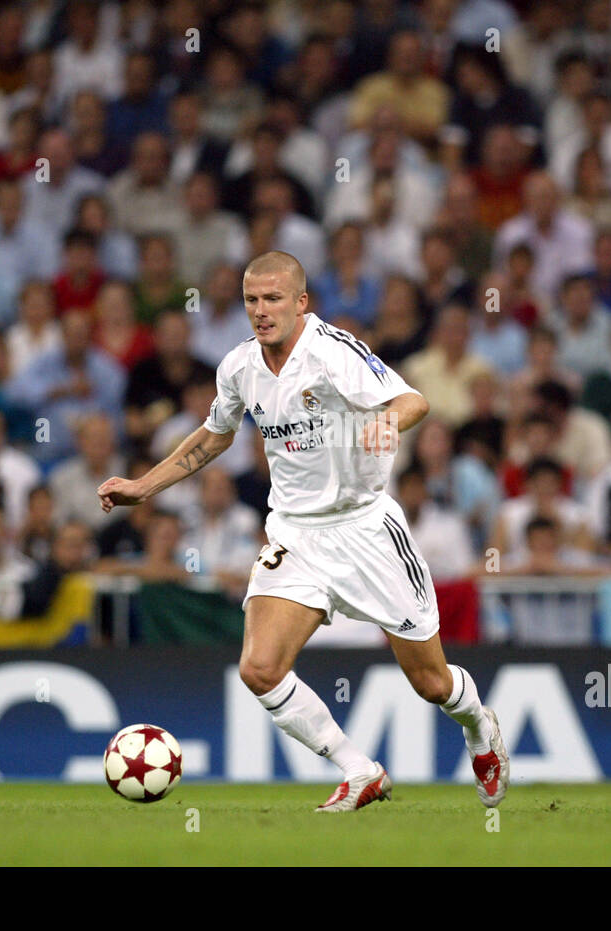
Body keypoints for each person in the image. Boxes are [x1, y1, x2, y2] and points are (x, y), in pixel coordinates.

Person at [97, 250, 508, 812]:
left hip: (366, 529)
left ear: (300, 302)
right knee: (260, 668)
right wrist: (145, 486)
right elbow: (215, 436)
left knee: (433, 685)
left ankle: (479, 726)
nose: (261, 311)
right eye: (251, 300)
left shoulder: (333, 353)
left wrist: (385, 421)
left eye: (272, 299)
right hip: (294, 534)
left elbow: (414, 399)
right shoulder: (239, 366)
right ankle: (359, 770)